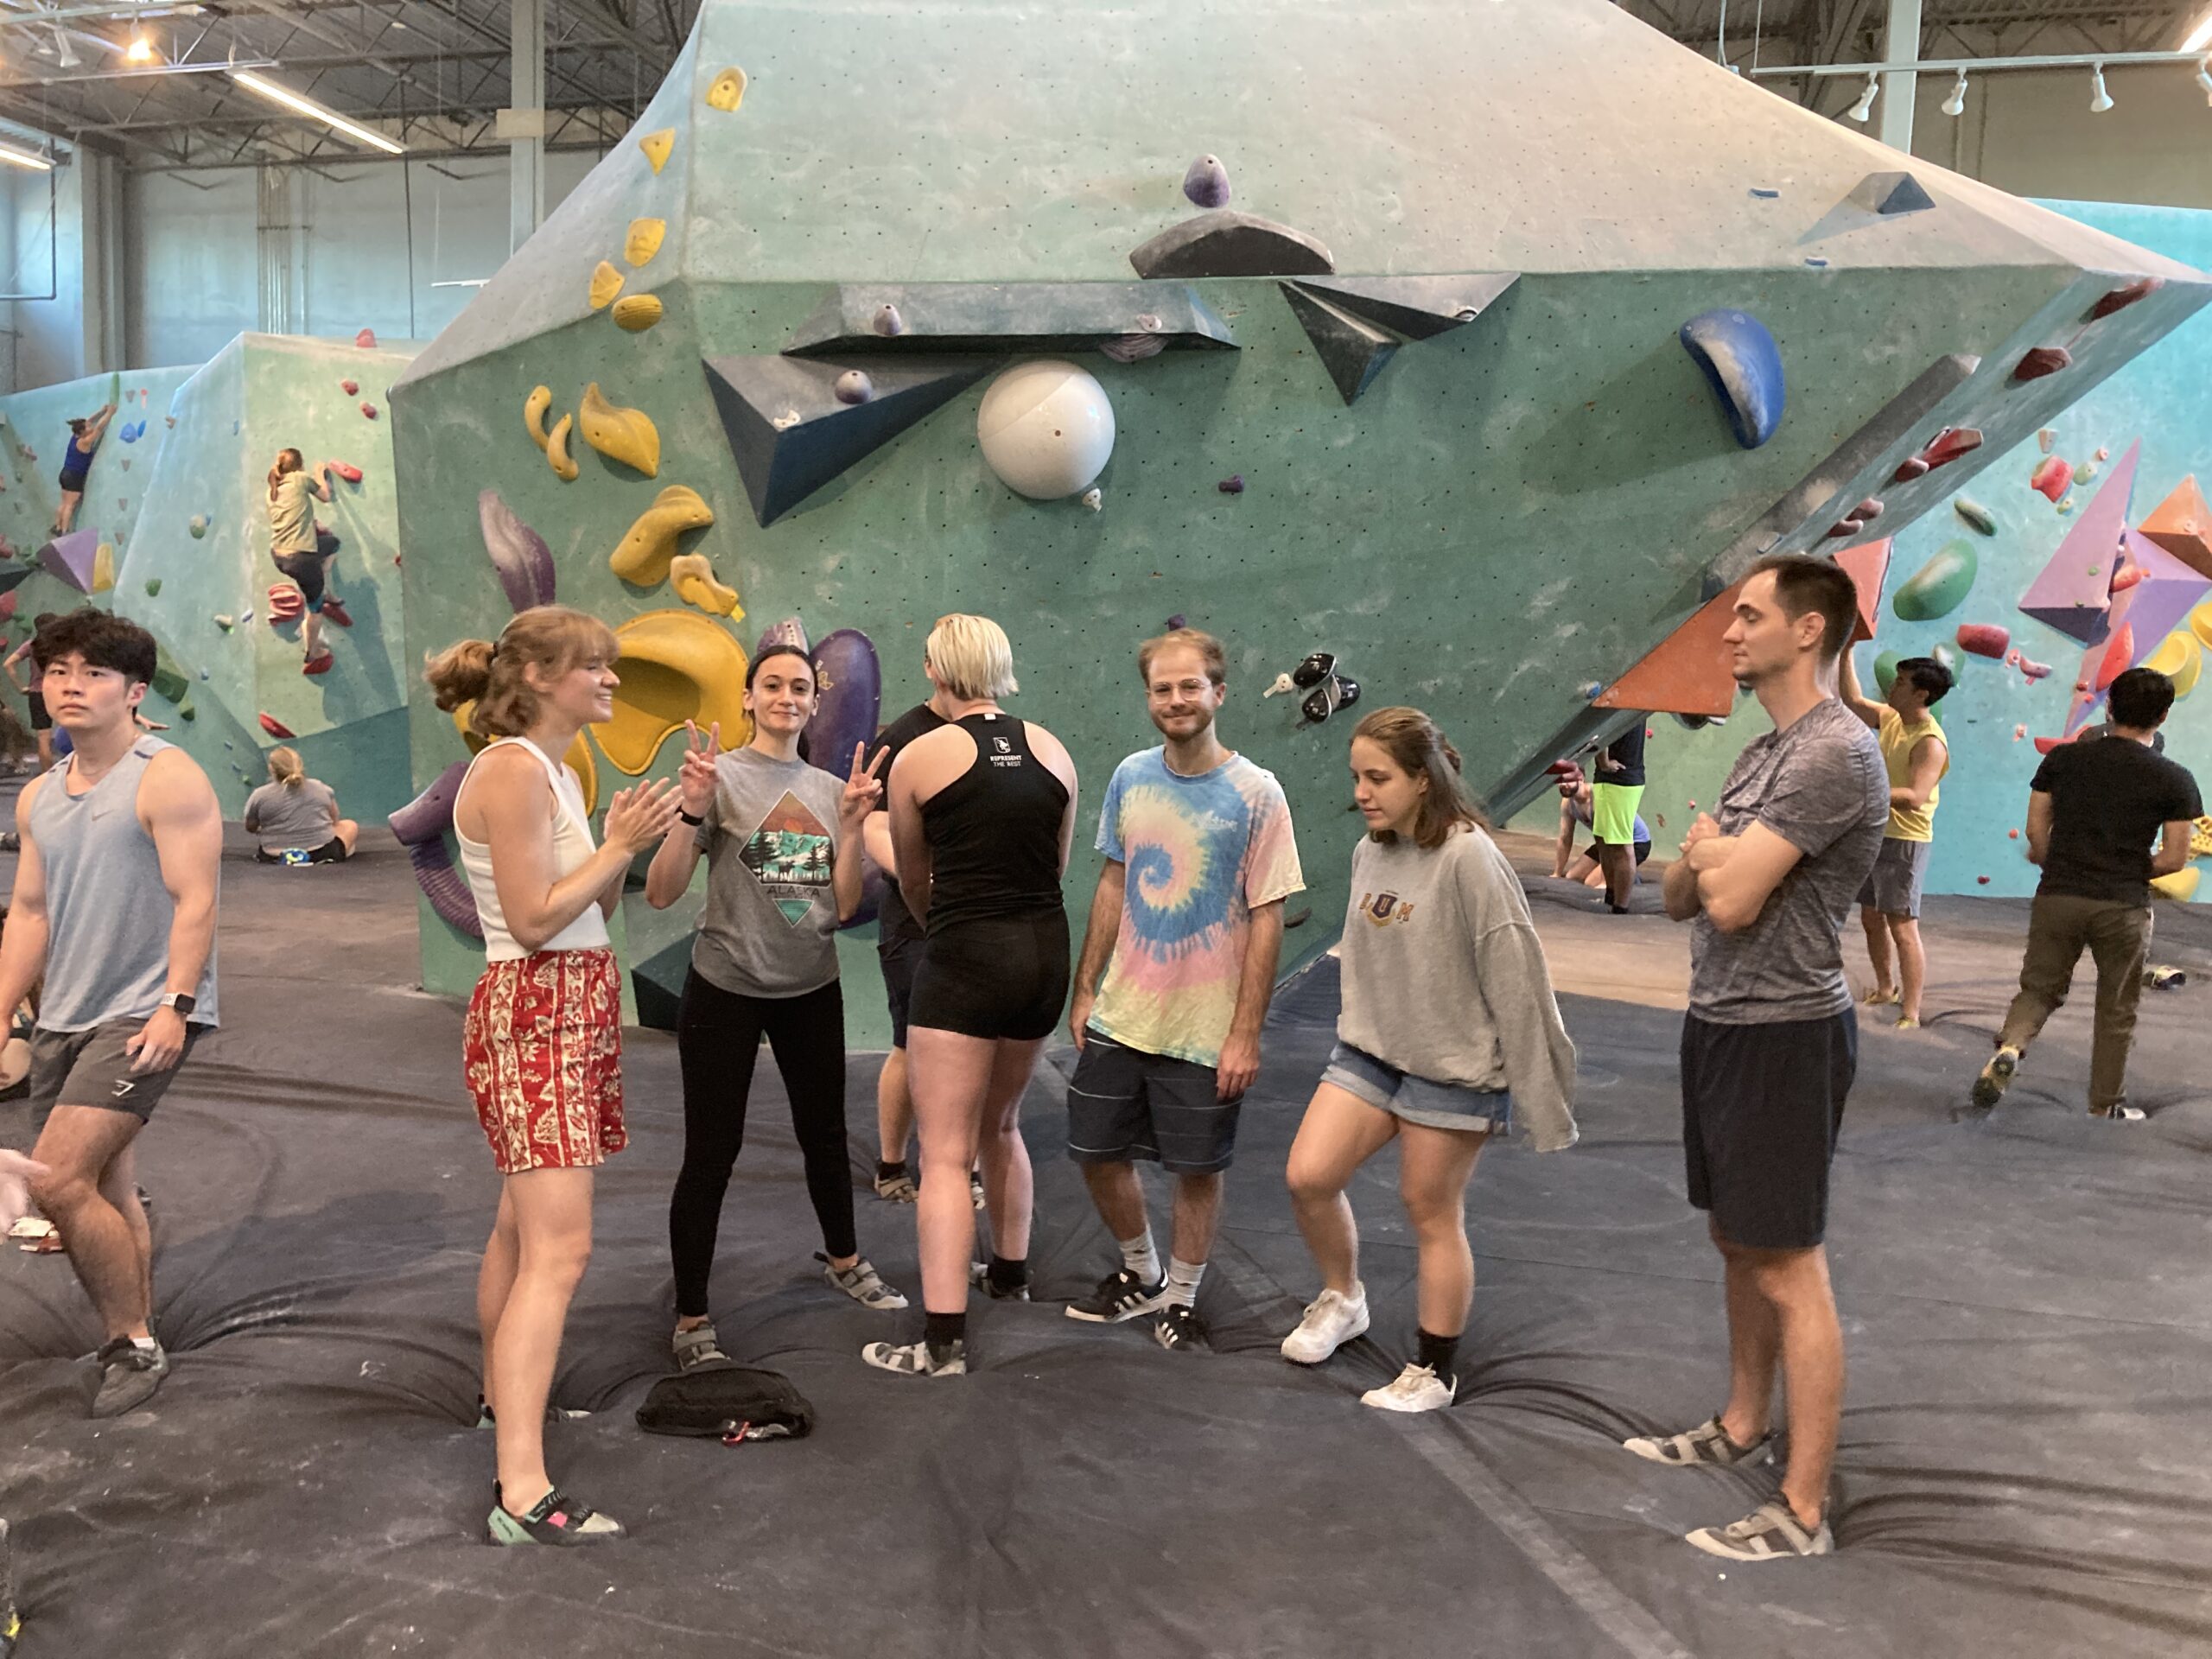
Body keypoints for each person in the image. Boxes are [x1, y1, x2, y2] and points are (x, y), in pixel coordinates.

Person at [1632, 554, 1886, 1562]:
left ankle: (1802, 1507)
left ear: (1808, 630)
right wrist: (1711, 859)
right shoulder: (1755, 756)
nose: (1729, 633)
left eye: (1748, 616)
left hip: (1786, 1032)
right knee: (1738, 1242)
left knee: (1788, 1263)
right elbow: (1679, 897)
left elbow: (1731, 898)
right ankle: (1742, 1423)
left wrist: (1714, 857)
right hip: (1721, 1019)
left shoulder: (1834, 752)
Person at [429, 605, 680, 1547]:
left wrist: (620, 843)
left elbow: (588, 916)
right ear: (535, 675)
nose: (612, 680)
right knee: (559, 1252)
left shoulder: (555, 772)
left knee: (517, 1228)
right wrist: (616, 848)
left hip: (567, 1004)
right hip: (537, 1009)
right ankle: (522, 1490)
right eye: (596, 666)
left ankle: (505, 1405)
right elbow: (534, 922)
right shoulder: (505, 771)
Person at [1280, 707, 1577, 1412]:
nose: (1363, 792)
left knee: (1429, 1209)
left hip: (1454, 1066)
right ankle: (1344, 1299)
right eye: (1357, 777)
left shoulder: (1470, 857)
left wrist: (1537, 1094)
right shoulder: (1369, 852)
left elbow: (1516, 974)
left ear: (1423, 779)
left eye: (1378, 777)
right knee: (1308, 1176)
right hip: (1374, 1052)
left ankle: (1434, 1371)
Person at [644, 648, 906, 1373]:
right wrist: (691, 810)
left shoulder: (828, 790)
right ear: (749, 698)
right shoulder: (716, 776)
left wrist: (853, 826)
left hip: (809, 990)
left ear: (814, 703)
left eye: (800, 687)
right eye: (773, 686)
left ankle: (845, 1259)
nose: (787, 696)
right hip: (723, 991)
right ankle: (692, 1316)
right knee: (711, 1154)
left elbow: (846, 907)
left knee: (825, 1136)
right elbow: (663, 892)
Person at [0, 609, 221, 1418]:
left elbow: (195, 899)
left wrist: (176, 1006)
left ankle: (131, 1341)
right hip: (63, 1012)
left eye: (92, 673)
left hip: (140, 1013)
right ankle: (142, 1317)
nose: (70, 686)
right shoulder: (40, 798)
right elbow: (29, 914)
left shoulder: (167, 776)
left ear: (133, 691)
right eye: (58, 671)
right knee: (107, 1186)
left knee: (57, 1181)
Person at [1064, 628, 1303, 1351]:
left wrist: (1245, 1032)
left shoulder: (1257, 793)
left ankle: (1184, 1296)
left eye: (1190, 686)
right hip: (1122, 1013)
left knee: (1197, 1169)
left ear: (1218, 693)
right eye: (1163, 689)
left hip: (1205, 1028)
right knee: (1097, 1154)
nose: (1176, 700)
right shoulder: (1131, 776)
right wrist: (1085, 991)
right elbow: (1113, 880)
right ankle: (1140, 1273)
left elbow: (1269, 916)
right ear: (1149, 698)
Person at [862, 615, 1077, 1378]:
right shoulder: (1054, 750)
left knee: (946, 1156)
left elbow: (913, 877)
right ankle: (1010, 1277)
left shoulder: (922, 754)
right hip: (1044, 953)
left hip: (967, 955)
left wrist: (939, 931)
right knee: (1005, 1124)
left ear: (935, 670)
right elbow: (1054, 867)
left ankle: (942, 1342)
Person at [1971, 667, 2200, 1122]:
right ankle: (2105, 1104)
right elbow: (2175, 858)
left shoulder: (2063, 760)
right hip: (2122, 904)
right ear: (2164, 715)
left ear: (2109, 707)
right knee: (2117, 1008)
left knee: (2038, 990)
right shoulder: (2174, 778)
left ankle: (2012, 1048)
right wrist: (2130, 868)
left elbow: (2037, 832)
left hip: (2059, 894)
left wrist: (2053, 858)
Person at [861, 683, 985, 1214]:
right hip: (913, 920)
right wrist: (923, 880)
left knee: (974, 1045)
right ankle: (892, 1164)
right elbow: (875, 826)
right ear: (933, 668)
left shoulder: (989, 735)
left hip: (971, 916)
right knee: (909, 1042)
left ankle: (967, 1166)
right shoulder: (906, 737)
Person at [1837, 652, 1952, 1029]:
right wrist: (1846, 651)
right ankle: (1886, 988)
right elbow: (1853, 701)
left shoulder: (1930, 742)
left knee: (1902, 926)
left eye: (1901, 683)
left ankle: (1912, 1011)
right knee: (1871, 917)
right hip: (1876, 831)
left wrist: (1865, 790)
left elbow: (1916, 795)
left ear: (1921, 695)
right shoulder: (1892, 719)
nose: (1892, 686)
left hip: (1906, 839)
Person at [266, 449, 352, 677]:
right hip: (301, 561)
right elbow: (325, 496)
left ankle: (321, 586)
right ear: (299, 466)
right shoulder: (301, 478)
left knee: (331, 542)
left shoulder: (272, 491)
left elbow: (289, 517)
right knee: (316, 610)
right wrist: (319, 473)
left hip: (279, 555)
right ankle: (312, 651)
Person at [242, 747, 359, 865]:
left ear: (271, 768)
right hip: (319, 853)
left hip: (272, 855)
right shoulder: (321, 788)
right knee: (350, 825)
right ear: (300, 765)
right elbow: (334, 820)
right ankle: (335, 855)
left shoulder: (259, 795)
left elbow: (251, 827)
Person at [1553, 765, 1650, 892]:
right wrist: (1557, 873)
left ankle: (1627, 875)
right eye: (1560, 781)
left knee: (1591, 883)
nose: (1563, 785)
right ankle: (1621, 872)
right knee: (1572, 876)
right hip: (1606, 842)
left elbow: (1612, 838)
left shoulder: (1599, 797)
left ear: (1581, 779)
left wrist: (1606, 881)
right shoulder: (1568, 803)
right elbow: (1565, 838)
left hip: (1634, 841)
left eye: (1568, 781)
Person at [1590, 718, 1649, 912]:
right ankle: (1611, 896)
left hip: (1621, 778)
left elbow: (1604, 729)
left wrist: (1604, 762)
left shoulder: (1624, 703)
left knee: (1621, 844)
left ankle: (1620, 906)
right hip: (1609, 777)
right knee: (1603, 839)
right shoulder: (1635, 704)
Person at [4, 615, 60, 773]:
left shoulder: (31, 646)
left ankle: (46, 776)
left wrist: (21, 687)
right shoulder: (62, 647)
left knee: (43, 737)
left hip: (37, 693)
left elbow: (8, 664)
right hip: (59, 692)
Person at [53, 405, 114, 536]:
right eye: (88, 427)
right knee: (70, 505)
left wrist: (101, 411)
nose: (90, 427)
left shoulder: (75, 435)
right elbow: (99, 428)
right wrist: (109, 413)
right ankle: (64, 532)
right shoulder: (84, 442)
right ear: (82, 432)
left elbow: (89, 420)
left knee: (64, 502)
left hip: (65, 473)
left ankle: (57, 525)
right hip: (74, 476)